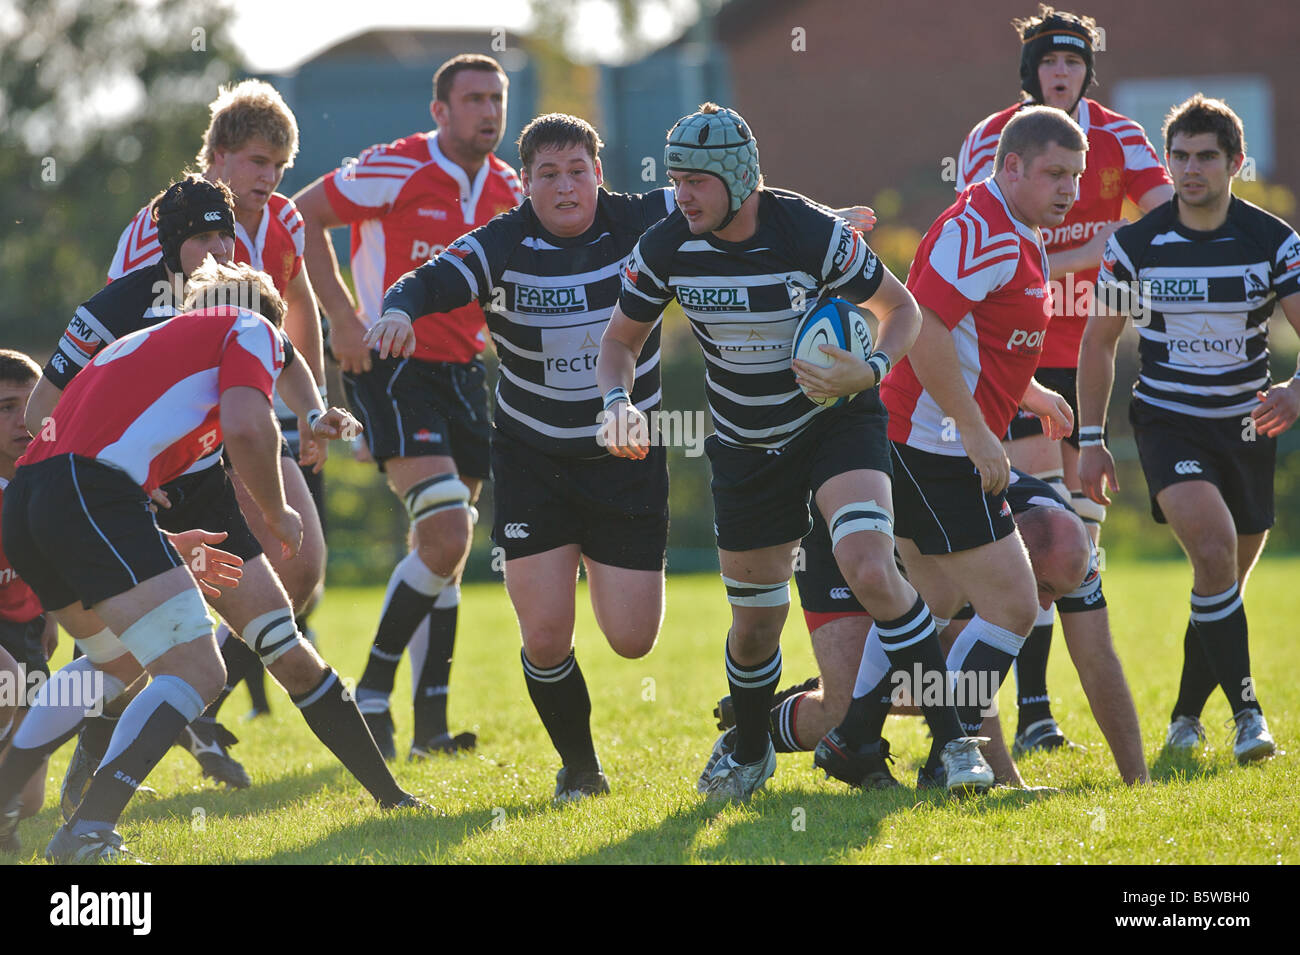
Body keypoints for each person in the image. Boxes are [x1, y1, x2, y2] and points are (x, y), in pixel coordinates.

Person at [597, 103, 991, 801]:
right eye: (676, 176)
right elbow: (619, 343)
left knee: (870, 565)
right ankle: (750, 751)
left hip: (836, 421)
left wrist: (867, 371)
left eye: (695, 180)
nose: (679, 192)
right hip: (746, 448)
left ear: (739, 181)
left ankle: (954, 740)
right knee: (754, 628)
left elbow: (902, 311)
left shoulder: (808, 232)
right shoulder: (666, 246)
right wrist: (617, 402)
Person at [364, 113, 676, 800]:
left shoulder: (648, 222)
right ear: (526, 183)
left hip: (624, 457)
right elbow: (423, 280)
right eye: (547, 175)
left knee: (632, 639)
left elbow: (733, 201)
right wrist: (394, 312)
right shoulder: (501, 243)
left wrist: (825, 222)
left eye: (577, 171)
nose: (565, 187)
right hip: (534, 460)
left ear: (599, 174)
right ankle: (581, 767)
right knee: (543, 635)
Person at [821, 105, 1081, 790]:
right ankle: (943, 749)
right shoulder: (980, 228)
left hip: (928, 439)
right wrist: (974, 429)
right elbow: (927, 326)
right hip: (931, 444)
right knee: (1016, 604)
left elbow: (979, 342)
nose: (1068, 189)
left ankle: (854, 739)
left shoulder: (1017, 229)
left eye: (1075, 177)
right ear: (1011, 166)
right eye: (1055, 172)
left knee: (928, 607)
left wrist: (1029, 396)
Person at [956, 4, 1174, 755]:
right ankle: (1036, 709)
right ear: (1031, 72)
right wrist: (1085, 253)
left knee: (1079, 533)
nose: (1062, 71)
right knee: (1034, 530)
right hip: (1013, 353)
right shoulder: (993, 138)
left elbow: (1163, 223)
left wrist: (1118, 258)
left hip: (1092, 353)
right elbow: (980, 238)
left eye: (1074, 61)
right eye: (1049, 61)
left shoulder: (1122, 135)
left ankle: (1045, 711)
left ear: (1088, 70)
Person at [295, 54, 524, 760]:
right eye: (474, 98)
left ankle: (428, 725)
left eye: (497, 98)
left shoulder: (513, 187)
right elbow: (298, 216)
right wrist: (341, 315)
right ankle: (371, 693)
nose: (488, 111)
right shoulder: (395, 168)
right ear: (440, 111)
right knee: (450, 529)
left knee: (441, 549)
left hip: (463, 371)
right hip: (391, 363)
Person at [1079, 94, 1300, 764]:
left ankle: (1182, 717)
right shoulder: (1135, 245)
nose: (1190, 168)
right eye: (1179, 156)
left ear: (1235, 162)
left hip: (1247, 428)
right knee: (1211, 550)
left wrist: (1295, 389)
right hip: (1169, 424)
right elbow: (1098, 343)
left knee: (1220, 580)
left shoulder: (1273, 241)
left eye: (1206, 156)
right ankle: (1247, 715)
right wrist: (1090, 441)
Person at [717, 468, 1148, 787]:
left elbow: (1097, 660)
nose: (1046, 606)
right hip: (845, 541)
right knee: (848, 704)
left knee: (908, 685)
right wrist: (1005, 782)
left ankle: (780, 709)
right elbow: (963, 676)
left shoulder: (1069, 548)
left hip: (914, 552)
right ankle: (751, 736)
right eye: (1045, 588)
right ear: (1018, 555)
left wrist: (1137, 780)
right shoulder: (978, 540)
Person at [0, 351, 61, 851]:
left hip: (25, 628)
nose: (23, 419)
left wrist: (50, 611)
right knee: (5, 680)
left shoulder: (50, 475)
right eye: (5, 407)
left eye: (32, 403)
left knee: (33, 800)